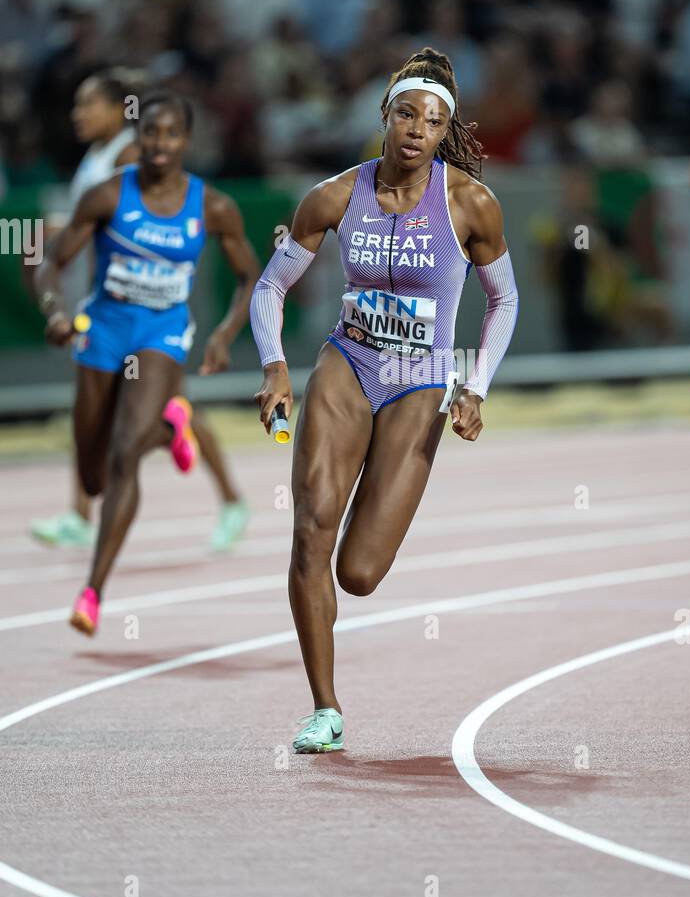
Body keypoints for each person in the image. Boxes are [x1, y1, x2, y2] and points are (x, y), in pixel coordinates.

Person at [250, 48, 519, 753]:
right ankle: (325, 709)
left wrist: (476, 386)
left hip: (421, 380)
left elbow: (505, 298)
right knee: (311, 528)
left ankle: (338, 649)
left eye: (431, 123)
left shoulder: (470, 203)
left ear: (442, 133)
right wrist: (276, 368)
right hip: (348, 362)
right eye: (405, 114)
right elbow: (271, 287)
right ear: (385, 116)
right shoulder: (335, 195)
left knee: (359, 572)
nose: (415, 130)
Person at [33, 92, 260, 634]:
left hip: (161, 336)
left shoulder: (212, 206)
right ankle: (169, 426)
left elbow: (252, 275)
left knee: (121, 455)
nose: (160, 145)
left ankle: (92, 592)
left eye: (171, 135)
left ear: (187, 140)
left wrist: (226, 334)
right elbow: (51, 262)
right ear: (140, 139)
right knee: (91, 477)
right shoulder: (109, 195)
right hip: (105, 332)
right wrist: (55, 311)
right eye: (151, 134)